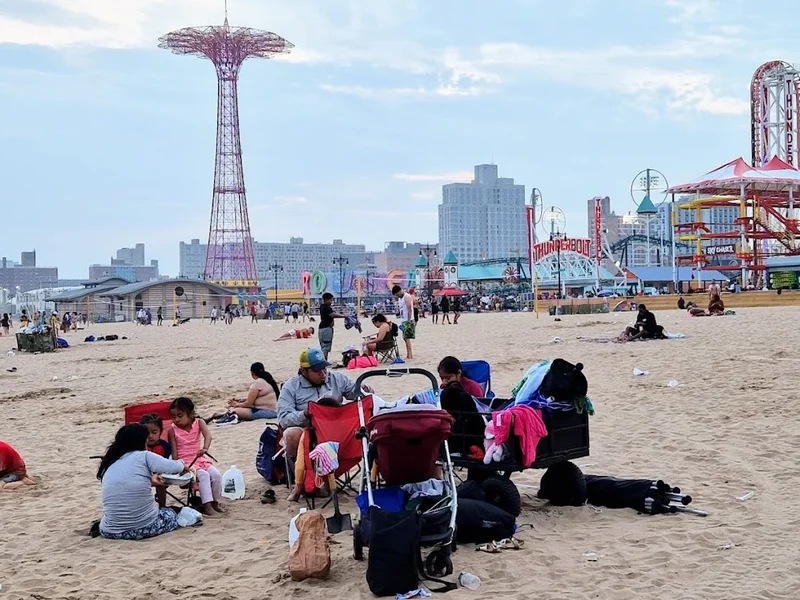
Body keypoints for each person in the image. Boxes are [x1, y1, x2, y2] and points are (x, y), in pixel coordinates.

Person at [277, 349, 368, 501]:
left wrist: (364, 390)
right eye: (317, 370)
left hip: (335, 430)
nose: (323, 373)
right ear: (304, 371)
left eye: (324, 368)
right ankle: (306, 479)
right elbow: (284, 419)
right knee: (291, 435)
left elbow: (355, 392)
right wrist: (304, 413)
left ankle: (325, 479)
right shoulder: (291, 387)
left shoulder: (336, 378)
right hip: (308, 432)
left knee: (363, 427)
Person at [96, 424, 186, 540]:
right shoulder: (144, 456)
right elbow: (175, 467)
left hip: (109, 531)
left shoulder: (109, 463)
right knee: (172, 514)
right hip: (144, 527)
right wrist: (183, 463)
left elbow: (128, 482)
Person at [168, 397, 223, 516]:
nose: (176, 419)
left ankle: (214, 503)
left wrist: (205, 448)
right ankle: (207, 506)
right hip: (186, 463)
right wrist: (179, 468)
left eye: (180, 415)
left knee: (216, 475)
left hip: (200, 459)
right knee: (204, 475)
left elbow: (208, 436)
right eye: (173, 417)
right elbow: (174, 454)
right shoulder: (172, 430)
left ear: (191, 414)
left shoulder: (199, 422)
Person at [207, 362, 281, 423]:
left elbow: (249, 404)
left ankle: (215, 416)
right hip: (273, 410)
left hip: (267, 412)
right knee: (236, 409)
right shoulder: (268, 380)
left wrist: (236, 404)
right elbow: (256, 398)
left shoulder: (256, 384)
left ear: (252, 373)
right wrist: (240, 400)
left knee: (235, 410)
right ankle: (216, 416)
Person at [139, 414, 172, 507]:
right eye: (147, 433)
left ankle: (162, 506)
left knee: (160, 482)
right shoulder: (140, 447)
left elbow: (169, 460)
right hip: (144, 473)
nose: (150, 436)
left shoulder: (164, 445)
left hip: (161, 473)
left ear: (160, 431)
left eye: (154, 432)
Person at [318, 292, 347, 360]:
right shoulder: (326, 307)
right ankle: (324, 361)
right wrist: (343, 316)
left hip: (322, 328)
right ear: (326, 300)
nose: (331, 302)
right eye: (330, 300)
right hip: (326, 329)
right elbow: (332, 315)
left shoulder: (322, 307)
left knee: (324, 346)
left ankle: (324, 360)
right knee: (325, 347)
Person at [392, 285, 415, 360]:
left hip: (408, 320)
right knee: (405, 338)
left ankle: (410, 354)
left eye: (397, 294)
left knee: (407, 338)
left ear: (399, 291)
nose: (397, 296)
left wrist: (409, 321)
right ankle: (408, 354)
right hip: (403, 320)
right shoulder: (400, 298)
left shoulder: (407, 297)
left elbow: (409, 310)